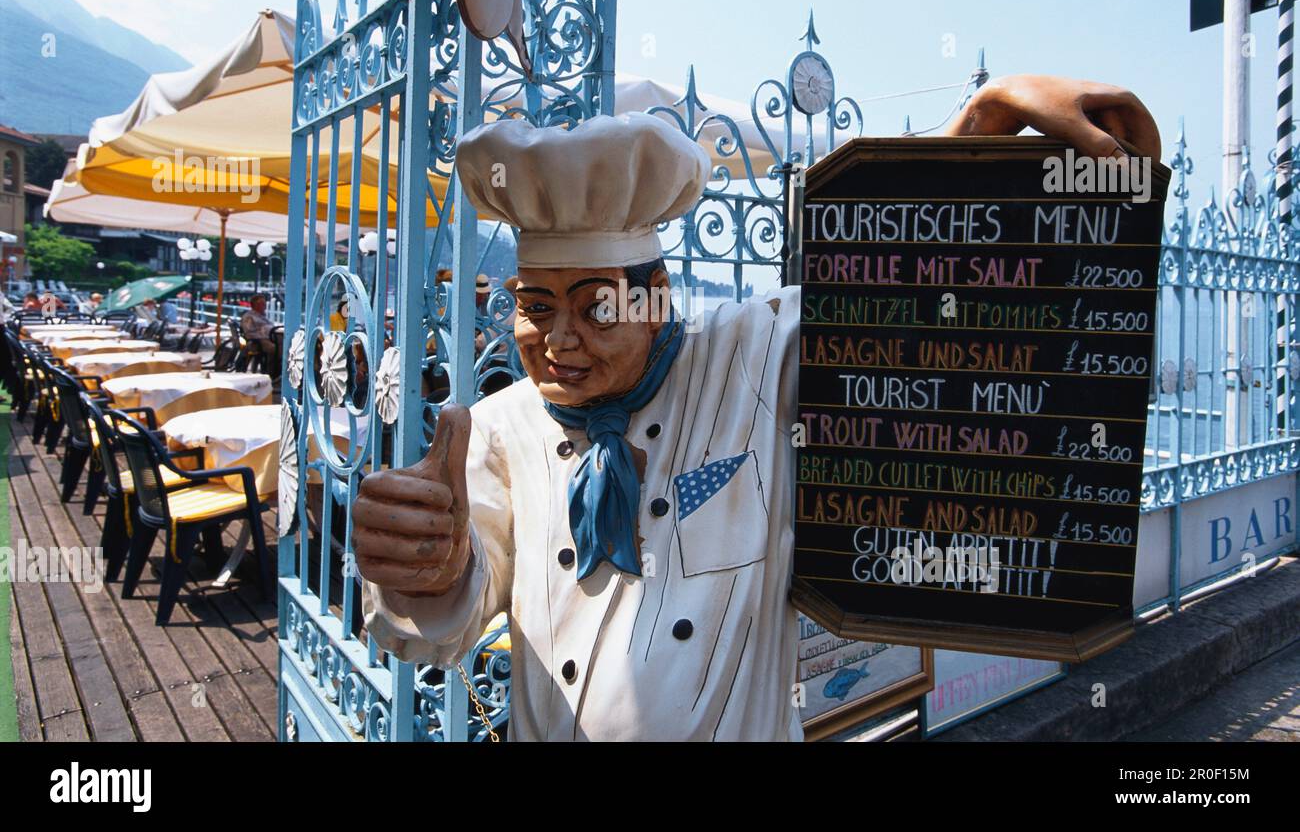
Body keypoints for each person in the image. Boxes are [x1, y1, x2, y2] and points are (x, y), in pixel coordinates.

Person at [353, 77, 1162, 741]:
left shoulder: (747, 358)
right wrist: (427, 564)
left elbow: (893, 294)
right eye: (534, 306)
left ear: (654, 298)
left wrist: (986, 121)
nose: (557, 339)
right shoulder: (500, 429)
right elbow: (447, 623)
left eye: (595, 308)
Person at [240, 292, 278, 376]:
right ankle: (270, 373)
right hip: (257, 342)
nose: (264, 306)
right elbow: (249, 333)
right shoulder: (249, 316)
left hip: (267, 338)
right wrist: (265, 336)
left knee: (282, 345)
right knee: (275, 348)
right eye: (262, 304)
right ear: (255, 305)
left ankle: (277, 372)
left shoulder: (261, 316)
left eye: (264, 304)